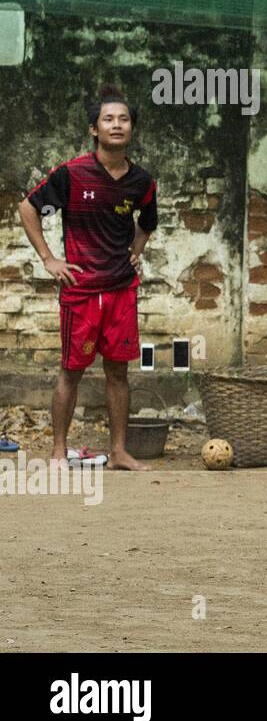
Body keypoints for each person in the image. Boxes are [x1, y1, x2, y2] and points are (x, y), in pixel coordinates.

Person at [19, 84, 158, 472]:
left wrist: (135, 253)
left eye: (124, 119)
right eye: (108, 119)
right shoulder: (72, 174)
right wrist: (49, 259)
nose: (117, 125)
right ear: (94, 129)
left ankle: (118, 453)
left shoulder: (142, 182)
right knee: (71, 371)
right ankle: (59, 453)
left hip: (120, 290)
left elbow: (147, 224)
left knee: (119, 372)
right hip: (80, 290)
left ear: (132, 129)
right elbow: (27, 209)